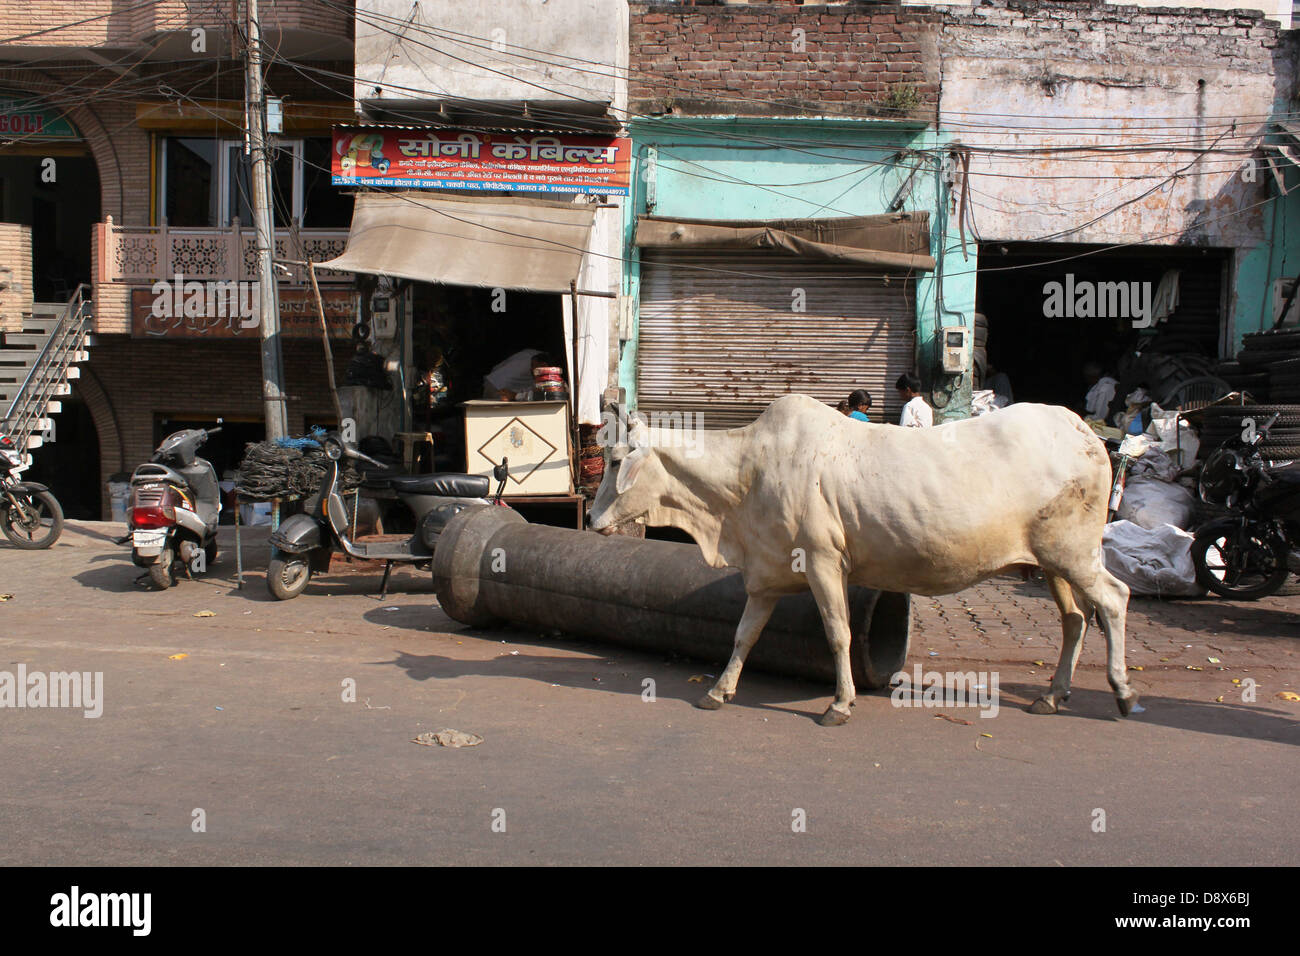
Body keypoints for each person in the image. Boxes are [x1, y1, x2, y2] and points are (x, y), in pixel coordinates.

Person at [483, 349, 554, 401]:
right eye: (531, 366)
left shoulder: (553, 382)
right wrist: (512, 395)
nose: (531, 369)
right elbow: (532, 391)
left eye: (533, 366)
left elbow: (541, 396)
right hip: (497, 385)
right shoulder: (530, 356)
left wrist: (514, 396)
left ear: (544, 365)